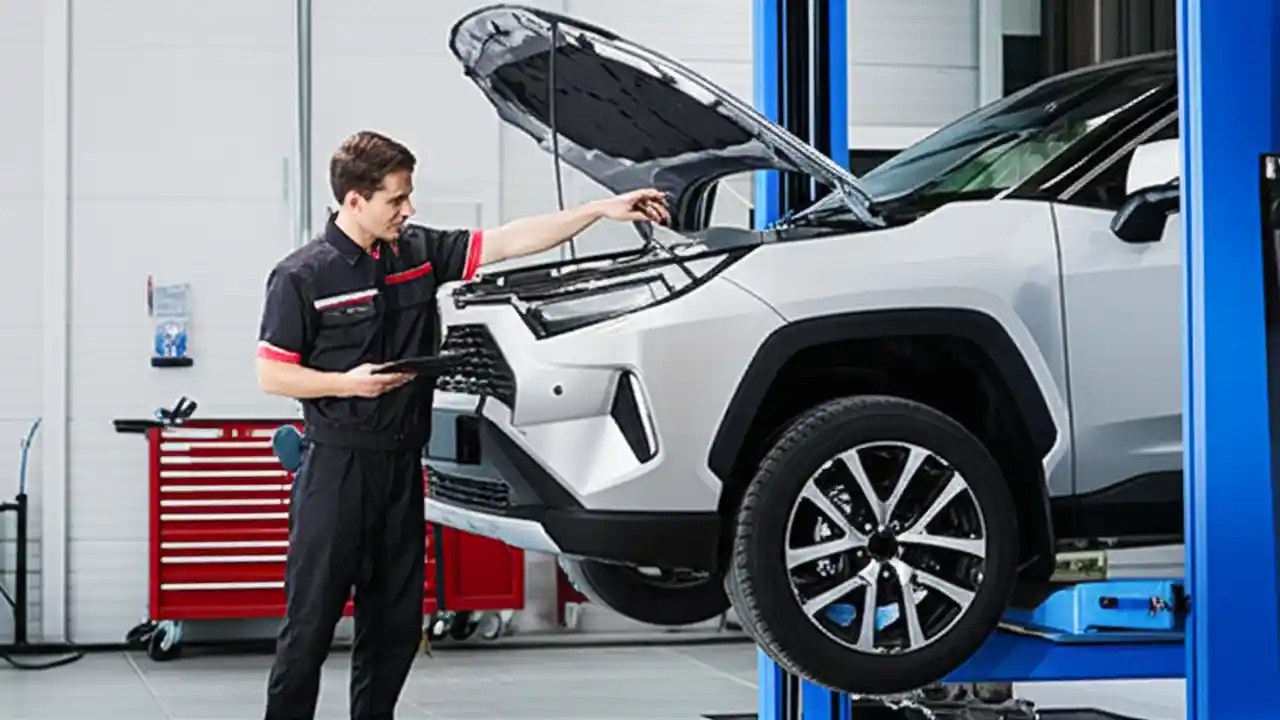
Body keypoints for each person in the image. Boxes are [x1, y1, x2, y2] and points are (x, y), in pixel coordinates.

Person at [255, 130, 670, 720]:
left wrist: (599, 210)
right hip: (336, 468)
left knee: (394, 625)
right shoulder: (301, 276)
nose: (409, 210)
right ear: (354, 201)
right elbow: (273, 375)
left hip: (401, 467)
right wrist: (351, 384)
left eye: (409, 196)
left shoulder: (416, 251)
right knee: (311, 625)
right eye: (397, 200)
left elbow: (508, 242)